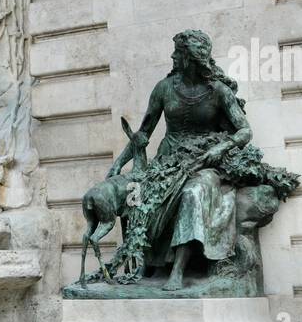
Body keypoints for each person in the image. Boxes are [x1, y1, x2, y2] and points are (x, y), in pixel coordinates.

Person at [107, 29, 298, 290]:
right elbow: (143, 133)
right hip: (168, 161)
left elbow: (244, 130)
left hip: (206, 163)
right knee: (134, 193)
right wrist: (119, 163)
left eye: (178, 53)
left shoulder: (218, 91)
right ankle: (142, 262)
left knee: (193, 193)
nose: (173, 57)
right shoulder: (164, 88)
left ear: (190, 59)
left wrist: (222, 148)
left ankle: (178, 269)